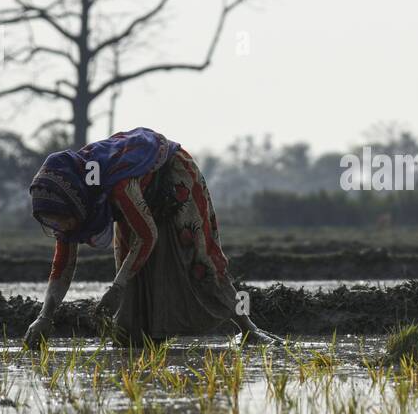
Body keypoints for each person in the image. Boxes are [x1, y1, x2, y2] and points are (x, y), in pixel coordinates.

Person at [21, 127, 278, 347]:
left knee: (197, 257)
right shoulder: (72, 204)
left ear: (74, 204)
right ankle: (145, 339)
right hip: (134, 198)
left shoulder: (118, 185)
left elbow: (147, 237)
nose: (60, 227)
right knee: (130, 266)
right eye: (52, 222)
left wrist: (116, 288)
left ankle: (249, 329)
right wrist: (45, 316)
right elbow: (63, 265)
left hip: (172, 175)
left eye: (61, 220)